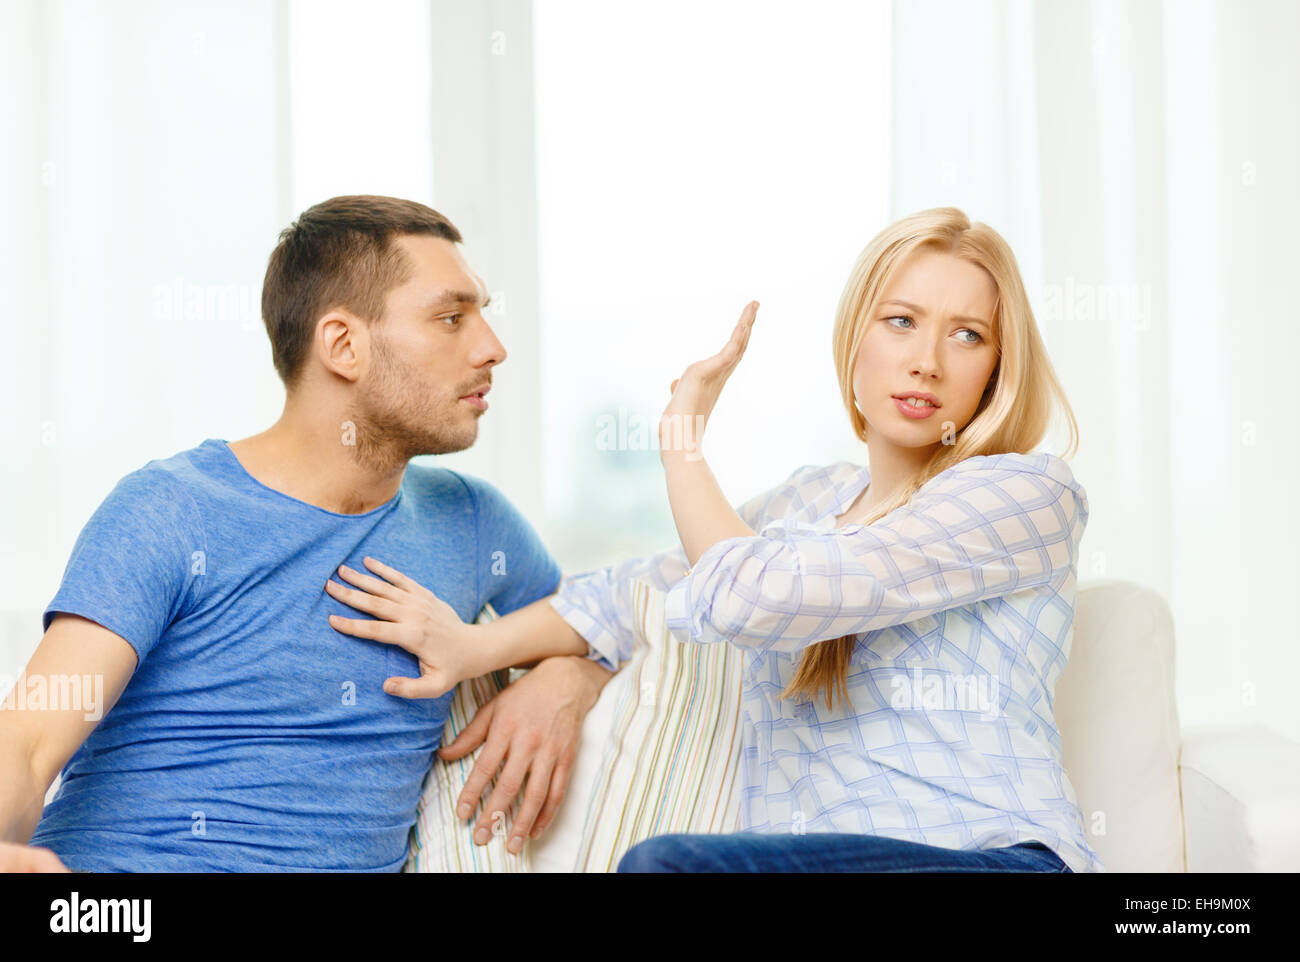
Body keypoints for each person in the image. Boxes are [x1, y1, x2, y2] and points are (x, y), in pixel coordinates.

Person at [325, 207, 1103, 873]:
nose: (927, 361)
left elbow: (754, 596)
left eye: (967, 335)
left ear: (998, 367)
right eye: (901, 322)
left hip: (995, 858)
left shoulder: (1023, 495)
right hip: (817, 857)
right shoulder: (811, 503)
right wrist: (471, 649)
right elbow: (634, 593)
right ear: (855, 342)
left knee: (668, 868)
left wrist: (683, 438)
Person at [0, 195, 612, 872]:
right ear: (344, 345)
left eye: (483, 316)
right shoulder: (171, 508)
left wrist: (569, 679)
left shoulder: (470, 520)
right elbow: (29, 741)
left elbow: (604, 617)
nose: (491, 348)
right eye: (450, 318)